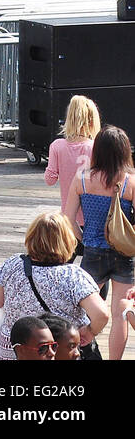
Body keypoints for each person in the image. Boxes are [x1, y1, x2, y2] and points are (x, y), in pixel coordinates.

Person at [0, 212, 106, 361]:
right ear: (67, 241)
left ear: (31, 237)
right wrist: (89, 332)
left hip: (17, 350)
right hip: (61, 351)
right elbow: (101, 315)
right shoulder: (73, 275)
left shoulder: (13, 264)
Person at [64, 124, 135, 360]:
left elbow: (68, 218)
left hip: (93, 253)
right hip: (124, 254)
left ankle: (83, 354)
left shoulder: (82, 180)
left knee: (84, 310)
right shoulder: (130, 183)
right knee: (120, 315)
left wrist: (84, 240)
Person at [46, 94, 100, 211]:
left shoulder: (57, 146)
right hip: (93, 215)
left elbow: (49, 180)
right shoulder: (96, 147)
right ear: (92, 121)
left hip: (68, 215)